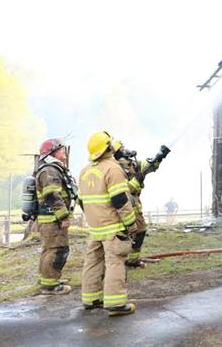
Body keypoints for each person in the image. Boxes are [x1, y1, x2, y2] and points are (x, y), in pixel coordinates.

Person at [78, 131, 137, 316]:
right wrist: (131, 224)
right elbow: (120, 200)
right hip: (113, 226)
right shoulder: (113, 169)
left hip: (95, 227)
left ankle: (90, 299)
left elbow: (81, 201)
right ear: (108, 148)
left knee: (93, 262)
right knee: (115, 262)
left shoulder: (85, 171)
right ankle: (116, 303)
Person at [34, 138, 76, 294]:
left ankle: (49, 278)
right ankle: (51, 286)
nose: (63, 151)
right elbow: (52, 195)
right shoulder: (50, 170)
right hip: (53, 219)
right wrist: (63, 216)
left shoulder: (52, 168)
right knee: (58, 250)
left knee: (49, 249)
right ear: (52, 153)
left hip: (51, 219)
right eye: (60, 149)